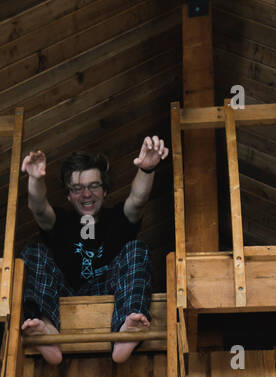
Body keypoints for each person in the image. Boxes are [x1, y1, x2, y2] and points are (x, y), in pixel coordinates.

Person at [19, 136, 169, 364]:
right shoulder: (60, 221)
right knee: (33, 252)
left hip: (113, 291)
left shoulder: (117, 219)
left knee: (137, 248)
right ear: (68, 195)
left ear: (105, 190)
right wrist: (35, 179)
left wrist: (147, 170)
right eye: (77, 188)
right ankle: (46, 329)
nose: (86, 194)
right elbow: (38, 207)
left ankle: (127, 329)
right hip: (64, 293)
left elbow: (137, 200)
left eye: (94, 186)